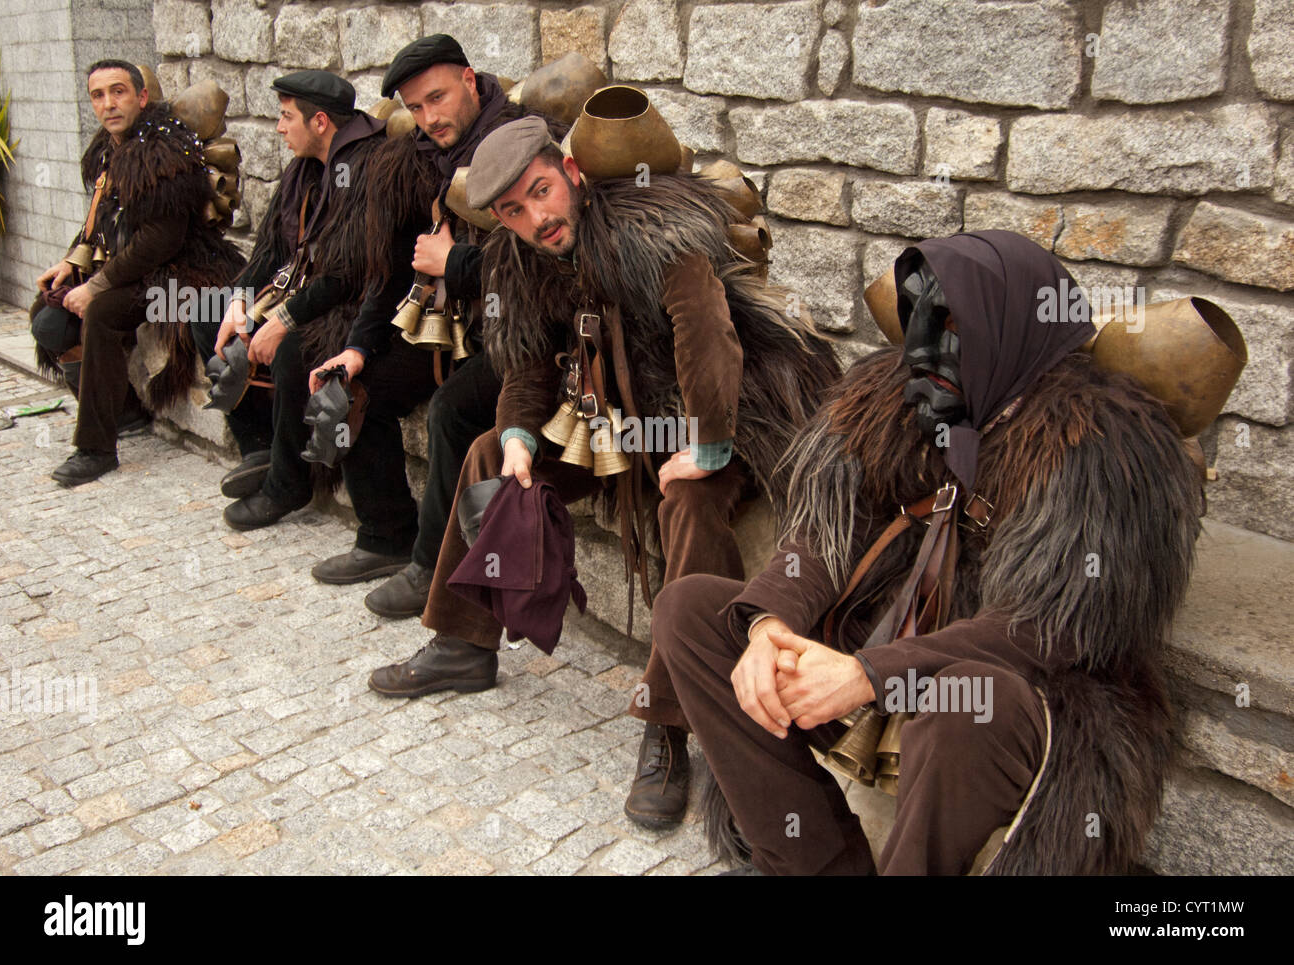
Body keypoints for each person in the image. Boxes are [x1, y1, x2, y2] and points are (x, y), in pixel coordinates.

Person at [650, 230, 1203, 874]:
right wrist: (771, 622)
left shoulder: (1100, 446)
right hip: (883, 634)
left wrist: (868, 673)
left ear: (1005, 329)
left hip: (1026, 695)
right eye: (917, 322)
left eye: (947, 328)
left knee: (966, 697)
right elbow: (826, 531)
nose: (920, 352)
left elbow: (1042, 630)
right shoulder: (887, 400)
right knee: (692, 610)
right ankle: (816, 864)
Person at [370, 115, 841, 830]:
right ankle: (461, 642)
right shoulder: (519, 257)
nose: (536, 218)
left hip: (722, 409)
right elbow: (527, 358)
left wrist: (710, 443)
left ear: (571, 172)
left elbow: (706, 332)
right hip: (612, 424)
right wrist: (522, 431)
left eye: (540, 192)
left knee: (690, 502)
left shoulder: (654, 230)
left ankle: (671, 724)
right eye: (513, 211)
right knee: (489, 454)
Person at [298, 35, 563, 605]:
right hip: (445, 325)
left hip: (523, 334)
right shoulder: (412, 163)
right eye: (415, 108)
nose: (428, 118)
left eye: (437, 99)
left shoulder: (524, 140)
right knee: (358, 385)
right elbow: (393, 270)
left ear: (470, 80)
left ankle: (433, 570)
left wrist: (457, 263)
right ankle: (385, 533)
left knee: (453, 409)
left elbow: (548, 263)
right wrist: (359, 348)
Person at [31, 59, 243, 486]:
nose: (108, 103)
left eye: (118, 92)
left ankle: (95, 448)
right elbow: (106, 216)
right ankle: (125, 411)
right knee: (49, 321)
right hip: (137, 270)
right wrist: (76, 257)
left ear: (141, 97)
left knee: (103, 312)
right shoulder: (109, 149)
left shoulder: (161, 151)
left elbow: (161, 239)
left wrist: (98, 284)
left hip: (184, 277)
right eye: (98, 95)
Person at [194, 70, 386, 511]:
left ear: (319, 122)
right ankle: (259, 449)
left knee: (292, 350)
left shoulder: (367, 169)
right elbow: (270, 249)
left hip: (345, 305)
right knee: (207, 317)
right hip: (295, 290)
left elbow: (348, 274)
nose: (279, 128)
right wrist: (240, 301)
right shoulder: (302, 169)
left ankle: (289, 484)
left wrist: (282, 321)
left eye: (285, 117)